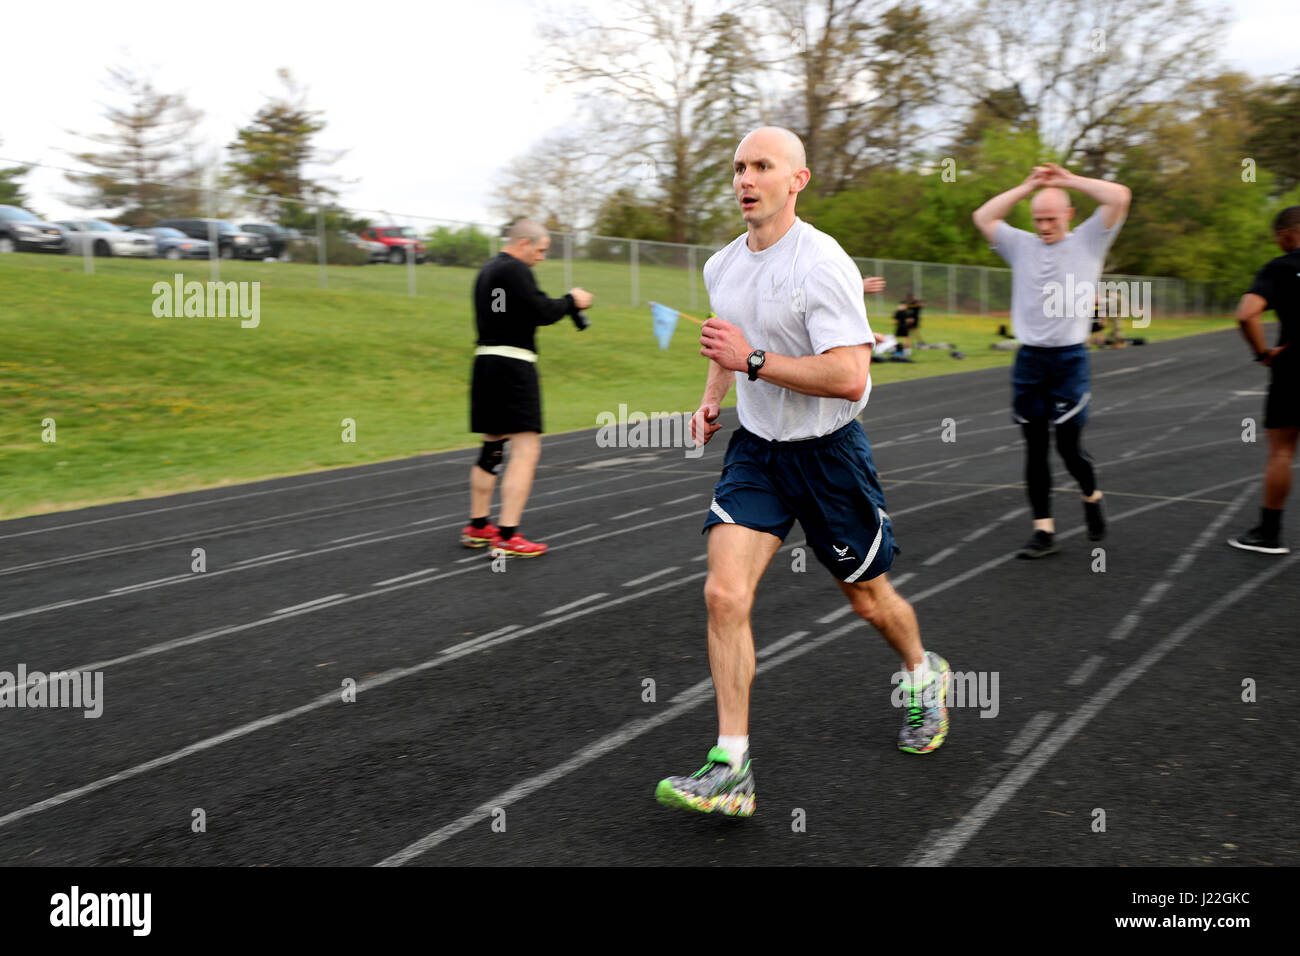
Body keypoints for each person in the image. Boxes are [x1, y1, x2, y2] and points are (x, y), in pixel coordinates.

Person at [654, 127, 951, 818]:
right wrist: (709, 400)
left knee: (868, 600)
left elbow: (850, 376)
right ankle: (731, 766)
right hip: (757, 452)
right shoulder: (722, 266)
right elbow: (725, 345)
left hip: (828, 456)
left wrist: (753, 360)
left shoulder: (822, 264)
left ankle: (921, 672)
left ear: (798, 180)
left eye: (762, 166)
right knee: (724, 595)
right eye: (737, 167)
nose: (745, 179)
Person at [973, 163, 1130, 558]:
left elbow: (1119, 196)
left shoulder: (1090, 240)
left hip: (1069, 359)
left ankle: (1091, 495)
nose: (1044, 226)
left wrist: (1067, 180)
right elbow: (983, 216)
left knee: (1069, 446)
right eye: (1038, 219)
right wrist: (1027, 186)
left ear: (1069, 215)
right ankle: (1043, 531)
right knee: (1035, 447)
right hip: (1029, 360)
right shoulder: (1019, 244)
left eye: (1051, 218)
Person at [461, 219, 593, 557]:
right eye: (540, 249)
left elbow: (516, 312)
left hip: (485, 366)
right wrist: (571, 300)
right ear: (522, 243)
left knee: (491, 448)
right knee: (526, 449)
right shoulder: (515, 270)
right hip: (513, 367)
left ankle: (478, 527)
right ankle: (507, 535)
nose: (543, 257)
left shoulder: (488, 271)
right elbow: (541, 311)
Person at [1228, 205, 1300, 554]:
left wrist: (1262, 353)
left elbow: (1246, 314)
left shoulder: (1281, 267)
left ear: (1287, 235)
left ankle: (1268, 533)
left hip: (1293, 367)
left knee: (1282, 452)